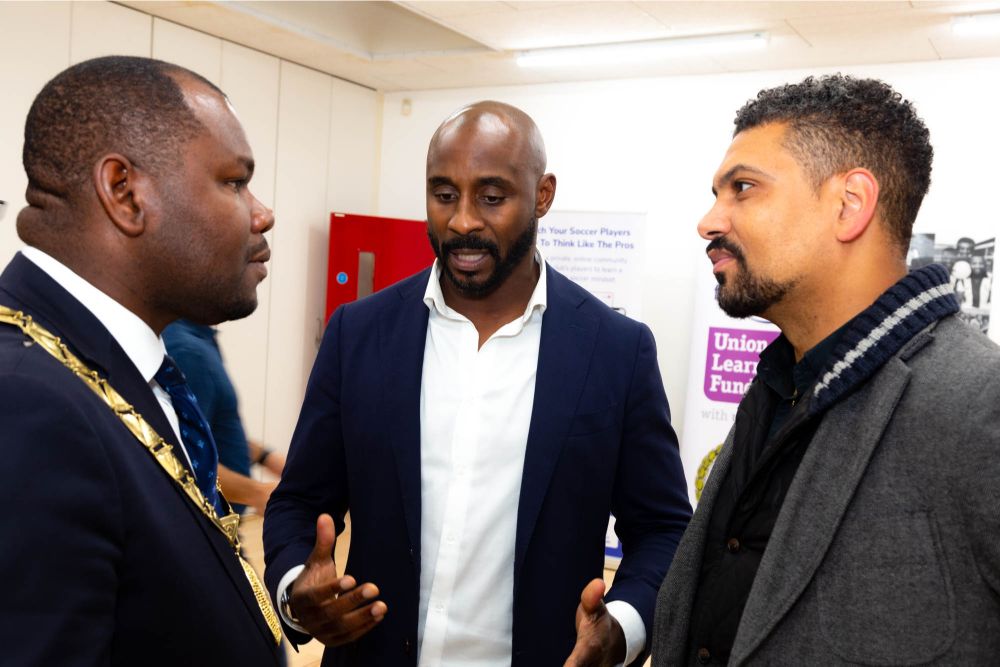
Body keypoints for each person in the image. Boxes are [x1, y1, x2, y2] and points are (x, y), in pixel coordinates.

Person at [264, 100, 692, 666]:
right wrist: (298, 588)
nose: (463, 220)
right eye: (443, 195)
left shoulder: (615, 350)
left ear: (542, 195)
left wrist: (622, 628)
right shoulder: (359, 334)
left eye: (492, 197)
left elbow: (663, 529)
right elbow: (298, 500)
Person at [653, 74, 1000, 665]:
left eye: (742, 188)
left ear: (849, 205)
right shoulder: (781, 387)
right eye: (717, 193)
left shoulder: (981, 404)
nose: (709, 221)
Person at [0, 56, 282, 665]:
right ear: (125, 193)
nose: (262, 214)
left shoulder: (94, 366)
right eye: (234, 182)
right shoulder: (26, 404)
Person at [163, 319, 286, 514]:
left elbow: (206, 434)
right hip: (207, 529)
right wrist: (258, 493)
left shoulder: (200, 341)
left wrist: (266, 457)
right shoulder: (188, 352)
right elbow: (181, 455)